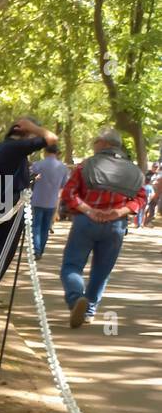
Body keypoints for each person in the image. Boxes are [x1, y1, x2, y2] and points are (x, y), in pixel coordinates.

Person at [58, 128, 146, 328]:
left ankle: (76, 298)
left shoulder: (85, 166)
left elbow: (68, 194)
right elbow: (141, 198)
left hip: (85, 222)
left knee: (72, 265)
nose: (93, 144)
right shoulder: (133, 171)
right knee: (102, 270)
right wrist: (120, 211)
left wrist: (88, 210)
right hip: (115, 225)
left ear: (105, 144)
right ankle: (88, 311)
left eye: (96, 140)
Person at [0, 117, 58, 305]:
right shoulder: (16, 147)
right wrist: (35, 127)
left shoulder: (0, 147)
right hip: (10, 204)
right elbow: (51, 139)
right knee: (4, 250)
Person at [29, 144, 68, 259]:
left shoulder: (38, 165)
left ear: (45, 152)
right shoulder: (63, 167)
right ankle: (41, 248)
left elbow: (29, 176)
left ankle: (37, 250)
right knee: (46, 226)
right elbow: (64, 184)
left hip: (38, 199)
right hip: (52, 200)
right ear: (57, 153)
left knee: (36, 226)